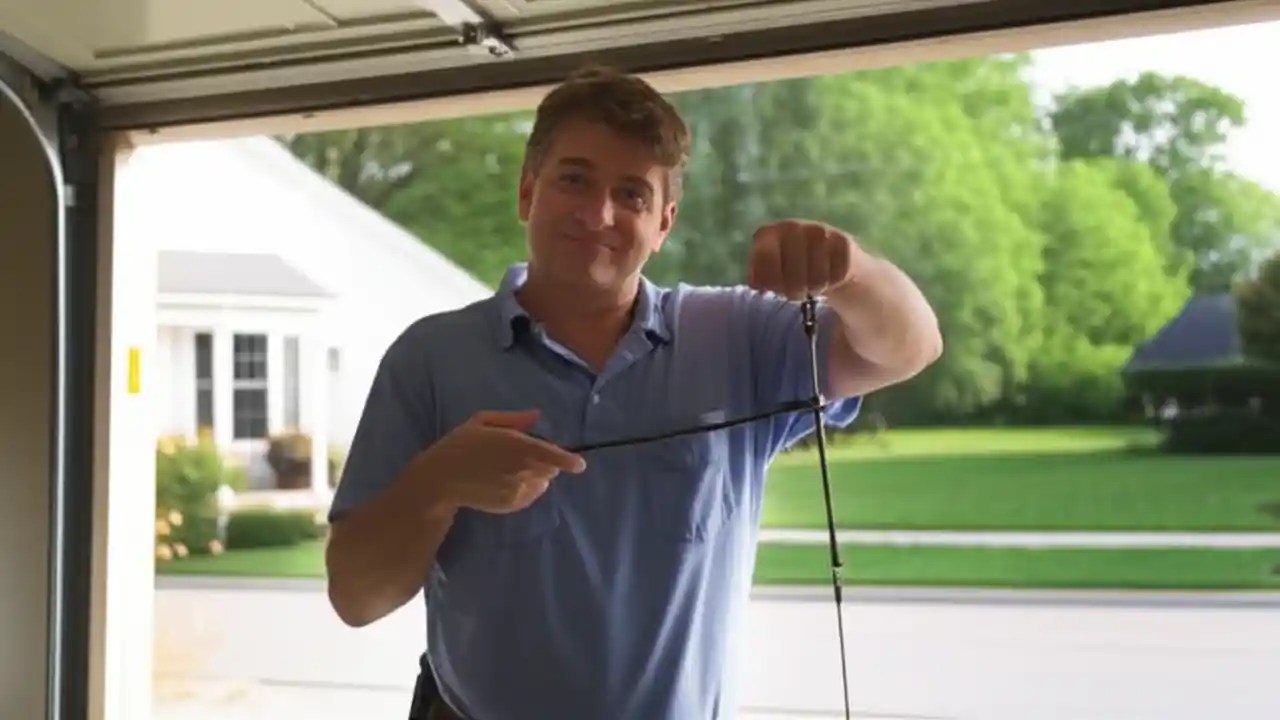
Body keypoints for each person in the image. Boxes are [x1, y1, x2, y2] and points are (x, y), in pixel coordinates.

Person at [323, 65, 942, 720]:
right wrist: (437, 483)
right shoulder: (432, 357)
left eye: (632, 194)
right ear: (528, 191)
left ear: (664, 223)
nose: (599, 213)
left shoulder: (734, 337)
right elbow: (355, 598)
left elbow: (910, 348)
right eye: (574, 179)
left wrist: (851, 270)